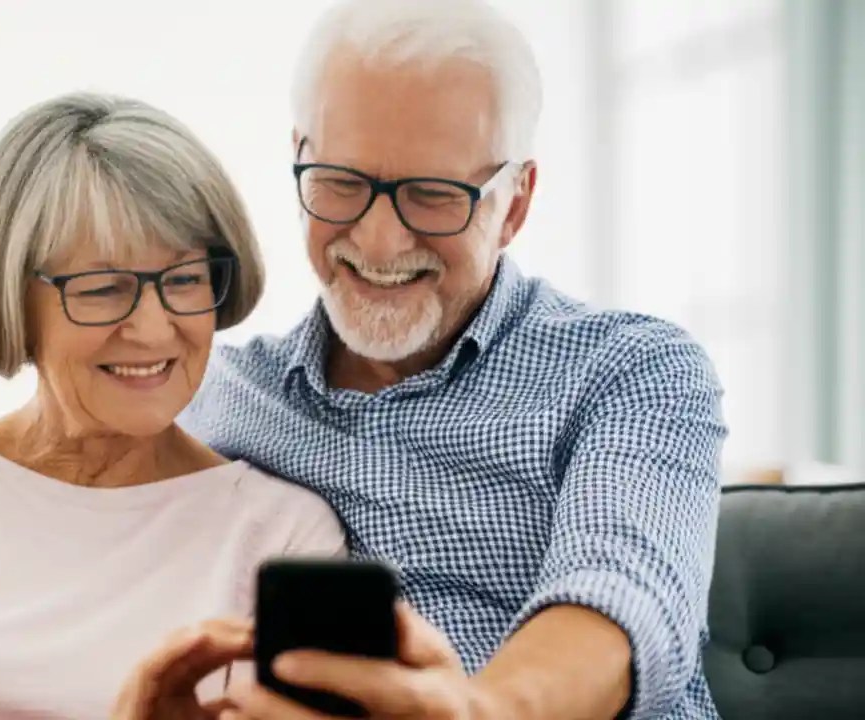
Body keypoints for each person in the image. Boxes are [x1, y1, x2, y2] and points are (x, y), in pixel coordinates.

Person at [167, 0, 728, 717]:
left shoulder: (632, 369)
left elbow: (624, 593)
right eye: (341, 183)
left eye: (432, 197)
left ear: (515, 205)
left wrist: (479, 714)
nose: (377, 242)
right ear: (300, 156)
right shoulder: (222, 396)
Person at [0, 92, 345, 719]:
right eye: (103, 289)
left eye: (183, 280)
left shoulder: (285, 536)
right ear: (13, 298)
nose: (154, 331)